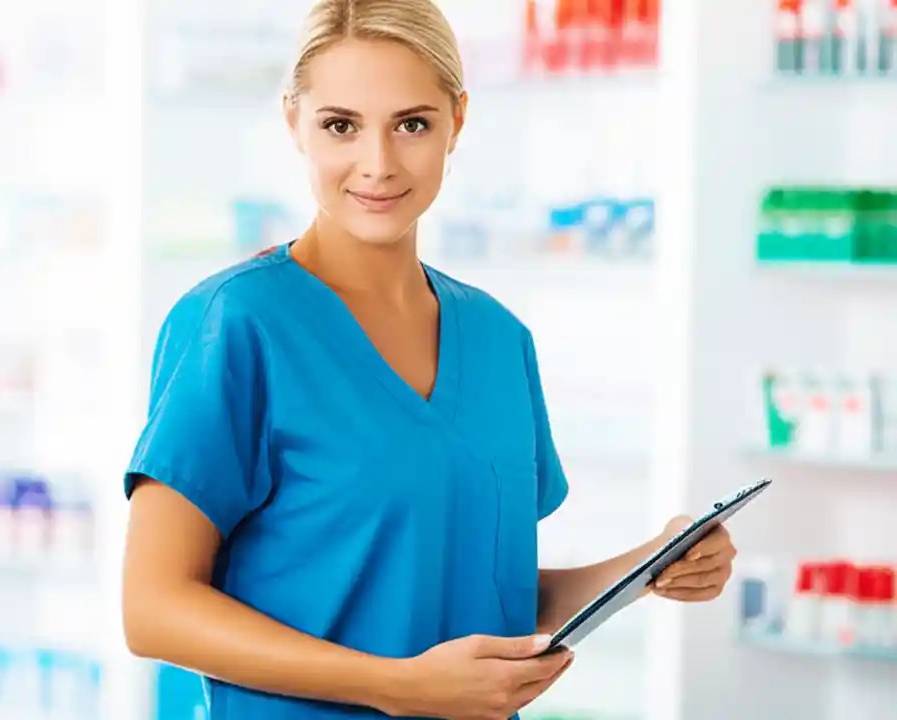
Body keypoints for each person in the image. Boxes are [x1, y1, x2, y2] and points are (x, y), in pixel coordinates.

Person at [121, 1, 738, 718]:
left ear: (458, 121)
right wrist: (398, 687)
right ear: (294, 122)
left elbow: (480, 583)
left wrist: (645, 566)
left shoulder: (499, 339)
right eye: (340, 125)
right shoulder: (236, 324)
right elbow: (153, 608)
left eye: (412, 124)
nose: (378, 165)